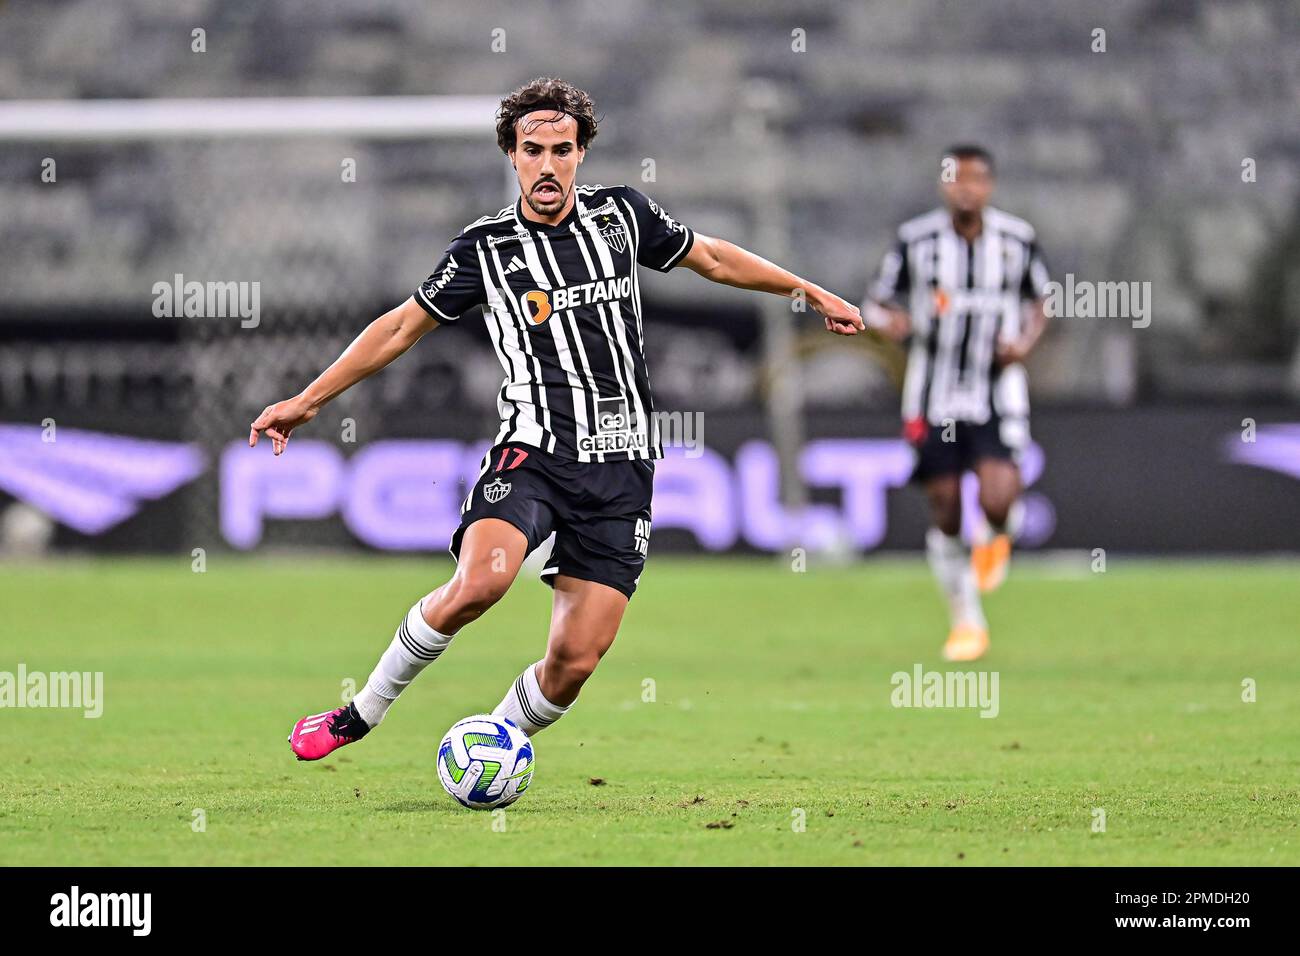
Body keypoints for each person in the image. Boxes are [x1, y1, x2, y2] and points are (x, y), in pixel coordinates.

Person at [249, 77, 864, 759]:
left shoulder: (622, 216)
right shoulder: (482, 251)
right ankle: (359, 714)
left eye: (562, 149)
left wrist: (806, 290)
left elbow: (712, 257)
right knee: (482, 581)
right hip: (532, 453)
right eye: (532, 149)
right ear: (511, 155)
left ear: (581, 153)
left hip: (623, 467)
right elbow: (398, 330)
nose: (548, 164)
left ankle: (494, 745)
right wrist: (306, 401)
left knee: (573, 665)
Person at [864, 145, 1050, 662]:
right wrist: (890, 323)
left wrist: (1025, 344)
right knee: (945, 504)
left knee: (997, 499)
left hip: (996, 391)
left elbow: (1042, 302)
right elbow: (875, 302)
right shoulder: (916, 240)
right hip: (934, 394)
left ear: (989, 185)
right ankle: (967, 621)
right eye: (955, 179)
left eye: (976, 179)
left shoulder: (1017, 240)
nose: (966, 188)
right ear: (944, 185)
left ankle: (997, 534)